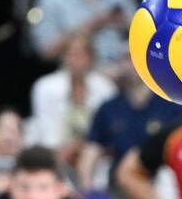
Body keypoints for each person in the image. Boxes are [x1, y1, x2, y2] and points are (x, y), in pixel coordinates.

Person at [77, 58, 179, 195]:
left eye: (137, 58)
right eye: (127, 59)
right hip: (121, 187)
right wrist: (88, 193)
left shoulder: (171, 104)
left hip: (162, 184)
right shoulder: (109, 107)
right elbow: (90, 154)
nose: (133, 64)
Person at [27, 36, 116, 170]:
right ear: (64, 57)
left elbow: (109, 131)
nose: (75, 60)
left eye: (81, 54)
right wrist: (65, 151)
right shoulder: (45, 86)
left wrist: (82, 149)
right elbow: (46, 133)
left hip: (96, 157)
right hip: (54, 155)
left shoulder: (105, 88)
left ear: (92, 58)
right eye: (71, 54)